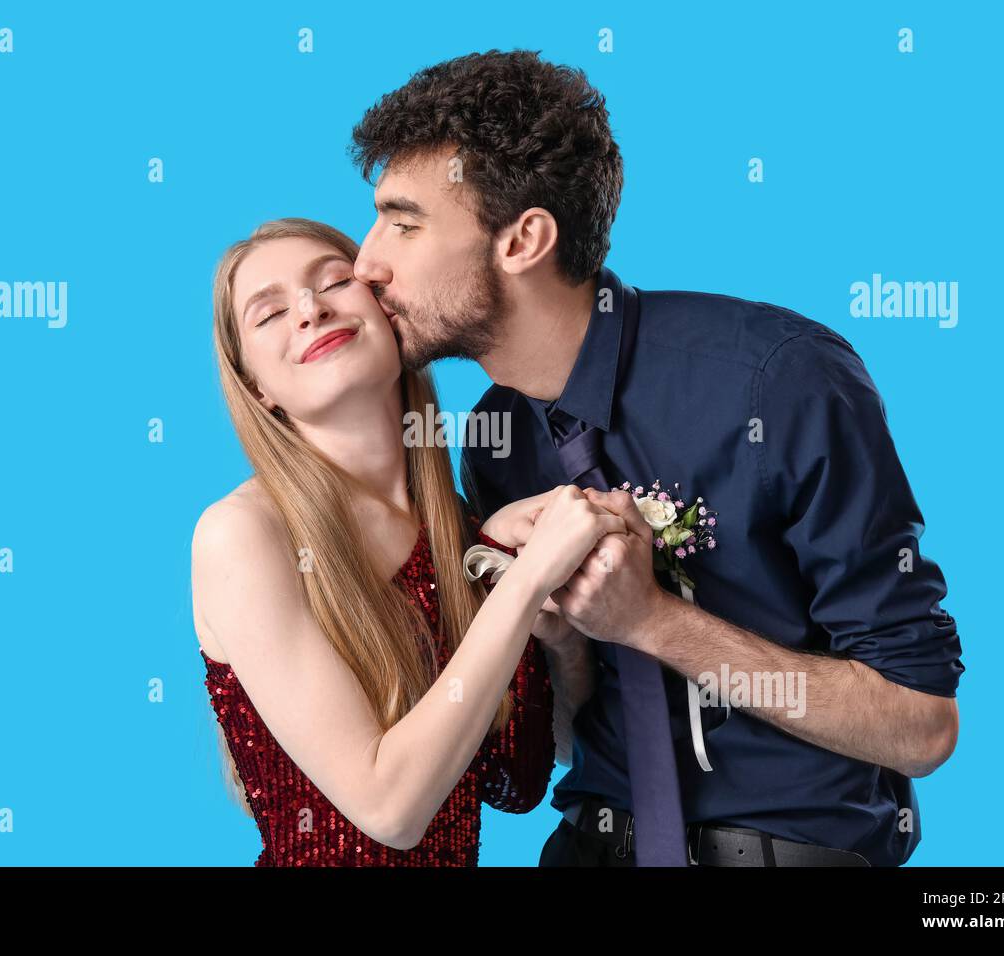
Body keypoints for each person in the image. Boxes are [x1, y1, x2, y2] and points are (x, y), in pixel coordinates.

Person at [349, 50, 964, 866]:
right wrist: (559, 638)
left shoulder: (776, 382)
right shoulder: (498, 437)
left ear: (524, 239)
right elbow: (573, 739)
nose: (366, 262)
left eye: (405, 221)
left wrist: (654, 621)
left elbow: (921, 724)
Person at [191, 216, 629, 866]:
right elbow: (388, 806)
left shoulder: (455, 532)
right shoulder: (243, 535)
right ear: (258, 388)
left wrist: (551, 629)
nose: (310, 310)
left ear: (386, 314)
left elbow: (519, 781)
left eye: (335, 280)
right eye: (270, 313)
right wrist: (531, 575)